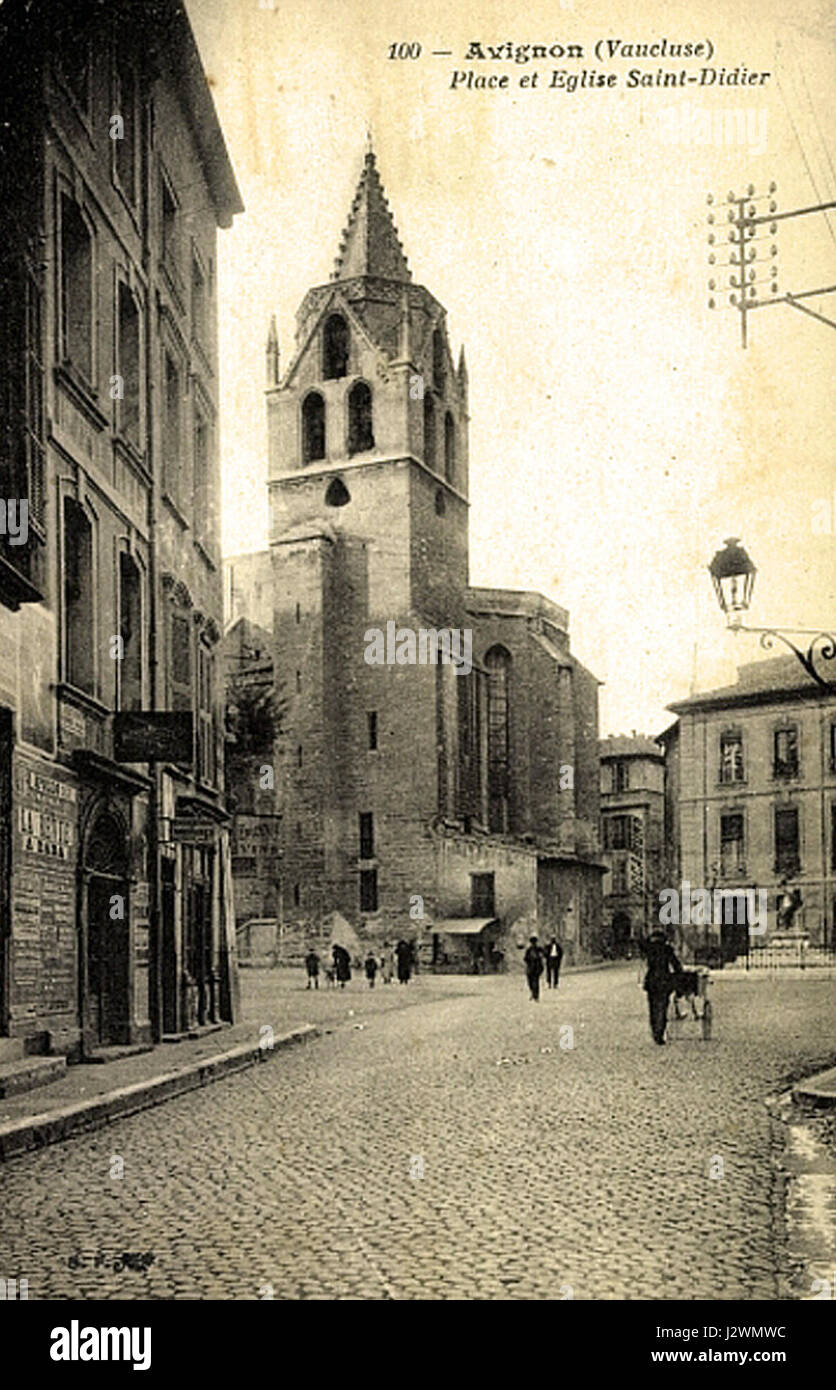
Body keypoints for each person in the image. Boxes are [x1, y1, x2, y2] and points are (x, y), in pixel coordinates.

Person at [643, 927, 682, 1045]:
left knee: (653, 1008)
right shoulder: (667, 949)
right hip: (664, 980)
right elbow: (676, 965)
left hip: (652, 980)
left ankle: (655, 1031)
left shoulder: (649, 949)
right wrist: (679, 976)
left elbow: (641, 942)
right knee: (663, 1007)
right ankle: (660, 1032)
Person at [524, 935, 544, 1002]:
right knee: (530, 982)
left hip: (536, 968)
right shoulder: (529, 950)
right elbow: (525, 958)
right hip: (530, 968)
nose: (533, 944)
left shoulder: (539, 949)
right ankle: (533, 993)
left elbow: (544, 954)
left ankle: (536, 996)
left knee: (535, 982)